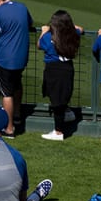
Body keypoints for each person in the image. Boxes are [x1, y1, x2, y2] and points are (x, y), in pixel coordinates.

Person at [0, 0, 34, 136]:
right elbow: (30, 24)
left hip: (5, 59)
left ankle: (9, 127)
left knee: (6, 93)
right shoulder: (22, 7)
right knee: (17, 84)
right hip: (22, 57)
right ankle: (17, 114)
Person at [36, 10, 83, 141]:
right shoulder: (73, 34)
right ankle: (67, 113)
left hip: (54, 69)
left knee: (56, 99)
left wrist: (44, 31)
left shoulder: (48, 37)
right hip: (67, 68)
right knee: (62, 95)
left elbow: (39, 45)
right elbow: (80, 29)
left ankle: (58, 132)